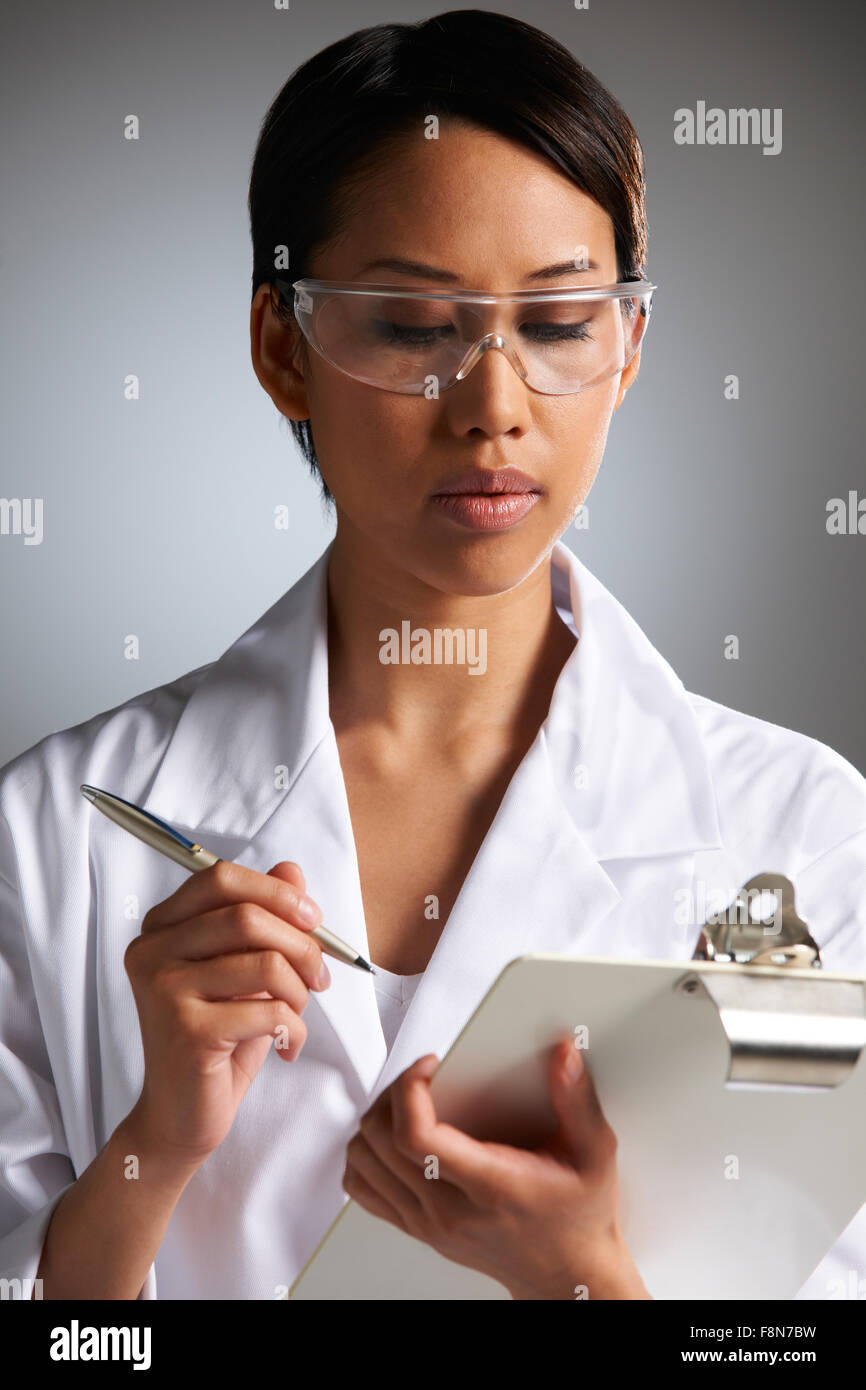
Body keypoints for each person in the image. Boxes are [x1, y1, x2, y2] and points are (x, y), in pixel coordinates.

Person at [1, 9, 864, 1302]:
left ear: (628, 344)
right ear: (283, 347)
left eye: (560, 321)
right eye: (412, 327)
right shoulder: (52, 834)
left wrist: (584, 1282)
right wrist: (149, 1152)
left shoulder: (804, 832)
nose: (494, 404)